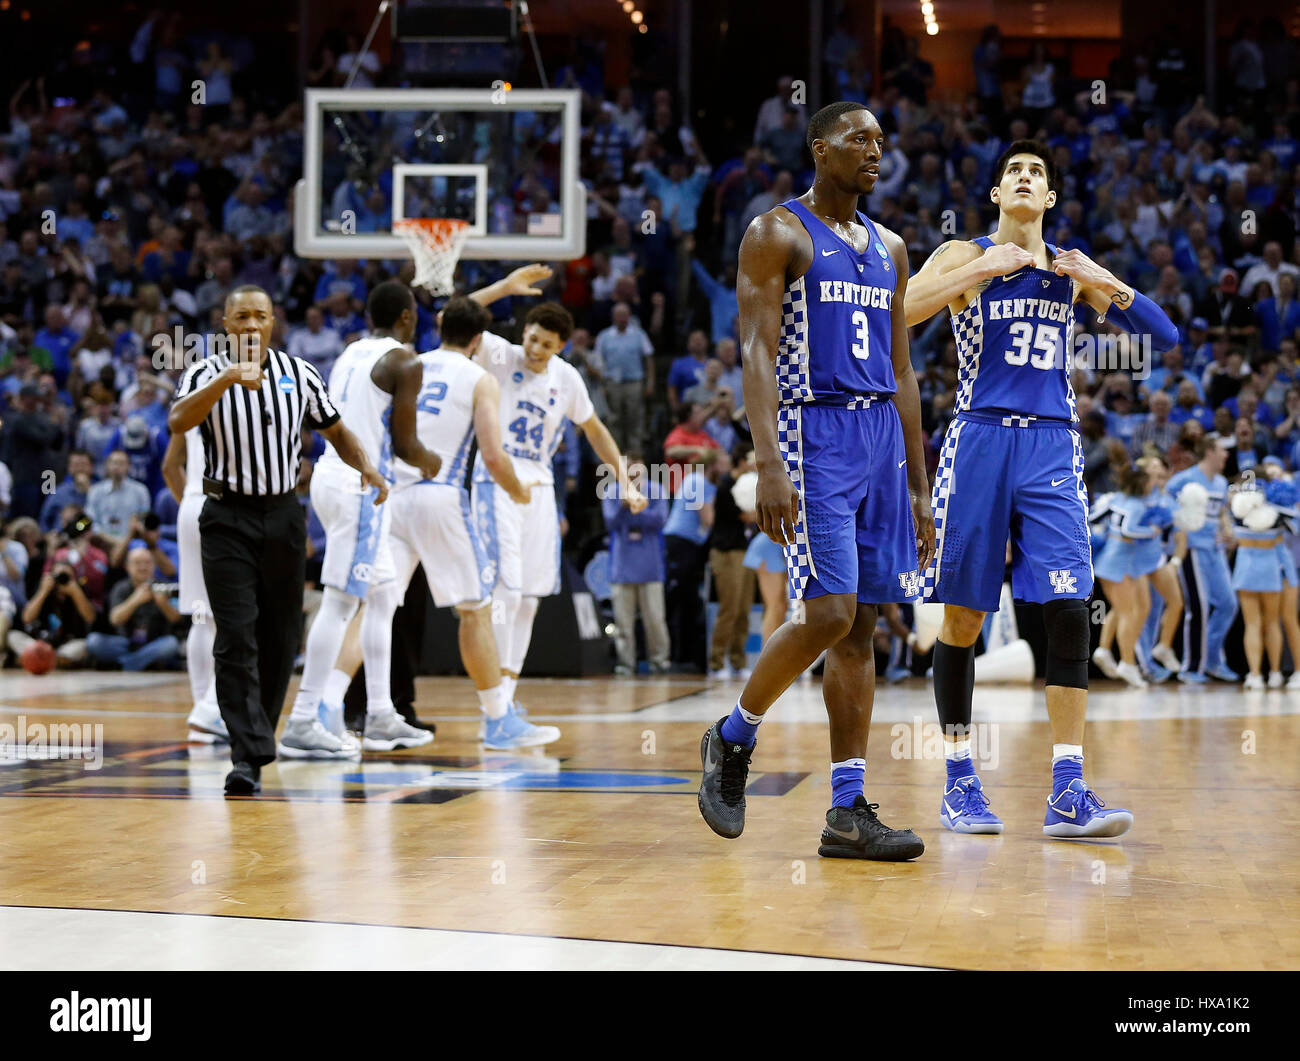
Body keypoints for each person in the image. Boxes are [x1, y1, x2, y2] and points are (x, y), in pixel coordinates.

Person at [907, 138, 1177, 838]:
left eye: (1037, 174)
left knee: (1068, 605)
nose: (1025, 179)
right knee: (963, 618)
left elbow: (1165, 334)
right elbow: (898, 312)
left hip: (1053, 441)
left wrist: (1105, 277)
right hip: (979, 437)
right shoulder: (965, 255)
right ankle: (961, 782)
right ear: (997, 194)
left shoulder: (1069, 270)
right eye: (1013, 173)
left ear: (1050, 198)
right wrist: (990, 264)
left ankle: (1068, 788)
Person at [697, 102, 932, 861]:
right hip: (812, 427)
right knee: (830, 611)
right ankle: (733, 736)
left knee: (861, 626)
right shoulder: (777, 232)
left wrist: (921, 485)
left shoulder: (893, 248)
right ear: (819, 147)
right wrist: (767, 458)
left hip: (879, 440)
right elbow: (756, 352)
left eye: (880, 140)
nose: (875, 149)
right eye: (859, 139)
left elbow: (902, 370)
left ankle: (845, 812)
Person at [169, 285, 387, 797]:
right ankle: (246, 755)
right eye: (240, 316)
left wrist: (369, 469)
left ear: (272, 322)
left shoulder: (299, 373)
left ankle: (258, 736)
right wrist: (226, 378)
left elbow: (337, 431)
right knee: (235, 634)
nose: (249, 324)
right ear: (225, 324)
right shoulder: (203, 373)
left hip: (284, 515)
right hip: (225, 515)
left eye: (259, 316)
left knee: (281, 637)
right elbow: (178, 421)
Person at [363, 286, 564, 750]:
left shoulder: (409, 362)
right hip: (440, 497)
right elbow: (493, 457)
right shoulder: (479, 378)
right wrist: (517, 490)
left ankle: (332, 707)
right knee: (475, 609)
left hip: (391, 494)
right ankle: (498, 719)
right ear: (479, 340)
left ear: (437, 327)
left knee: (373, 607)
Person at [466, 277, 645, 723]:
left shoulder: (567, 377)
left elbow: (595, 430)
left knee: (529, 598)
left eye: (546, 345)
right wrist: (505, 286)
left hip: (540, 490)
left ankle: (507, 696)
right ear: (523, 333)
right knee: (506, 591)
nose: (535, 350)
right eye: (531, 339)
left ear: (561, 346)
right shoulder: (500, 354)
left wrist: (624, 478)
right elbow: (458, 313)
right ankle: (495, 705)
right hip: (496, 481)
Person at [279, 279, 443, 759]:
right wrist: (436, 463)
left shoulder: (351, 351)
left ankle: (380, 715)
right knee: (340, 603)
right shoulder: (404, 361)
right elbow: (409, 447)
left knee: (384, 597)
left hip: (338, 476)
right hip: (361, 485)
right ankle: (303, 721)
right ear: (408, 317)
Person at [161, 425, 226, 742]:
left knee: (201, 616)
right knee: (238, 615)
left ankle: (204, 708)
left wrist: (189, 502)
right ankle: (211, 708)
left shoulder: (192, 390)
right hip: (223, 503)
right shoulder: (239, 386)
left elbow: (168, 466)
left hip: (192, 502)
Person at [1089, 455, 1174, 688]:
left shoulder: (1121, 498)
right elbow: (1128, 530)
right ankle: (1127, 662)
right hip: (1116, 561)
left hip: (1132, 562)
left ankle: (1106, 651)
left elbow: (1093, 515)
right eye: (1150, 477)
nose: (1154, 481)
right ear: (1142, 482)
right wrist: (1152, 530)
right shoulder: (1135, 503)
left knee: (1140, 608)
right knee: (1128, 612)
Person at [1167, 434, 1239, 684]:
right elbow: (1166, 506)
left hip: (1216, 549)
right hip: (1193, 549)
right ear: (1209, 451)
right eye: (1222, 450)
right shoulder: (1183, 480)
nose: (1227, 454)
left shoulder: (1220, 482)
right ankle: (1192, 667)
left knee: (1229, 604)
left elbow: (1221, 513)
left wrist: (1227, 530)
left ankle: (1212, 660)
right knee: (1199, 607)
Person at [603, 457, 671, 676]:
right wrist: (625, 506)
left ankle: (659, 662)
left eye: (636, 468)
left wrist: (636, 506)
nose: (633, 473)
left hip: (651, 566)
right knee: (623, 623)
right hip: (622, 567)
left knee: (655, 620)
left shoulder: (657, 490)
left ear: (643, 469)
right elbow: (610, 522)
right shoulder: (612, 491)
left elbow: (660, 520)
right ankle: (625, 664)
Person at [1227, 473, 1292, 690]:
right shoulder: (1276, 512)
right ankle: (1273, 673)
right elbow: (1289, 535)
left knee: (1252, 623)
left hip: (1246, 566)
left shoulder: (1236, 510)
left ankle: (1255, 675)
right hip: (1269, 566)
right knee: (1272, 622)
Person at [87, 545, 181, 670]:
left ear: (154, 565)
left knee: (171, 644)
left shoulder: (164, 588)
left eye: (147, 563)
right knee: (94, 641)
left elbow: (176, 619)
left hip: (154, 642)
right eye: (137, 563)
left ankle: (126, 663)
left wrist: (163, 603)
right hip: (125, 643)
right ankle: (140, 661)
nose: (143, 567)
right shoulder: (120, 588)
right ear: (128, 567)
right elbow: (115, 619)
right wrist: (135, 600)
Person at [707, 449, 755, 680]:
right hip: (726, 553)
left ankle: (738, 661)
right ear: (741, 462)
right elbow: (746, 516)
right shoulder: (726, 485)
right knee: (730, 608)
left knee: (744, 609)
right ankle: (716, 662)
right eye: (752, 459)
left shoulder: (751, 483)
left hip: (745, 552)